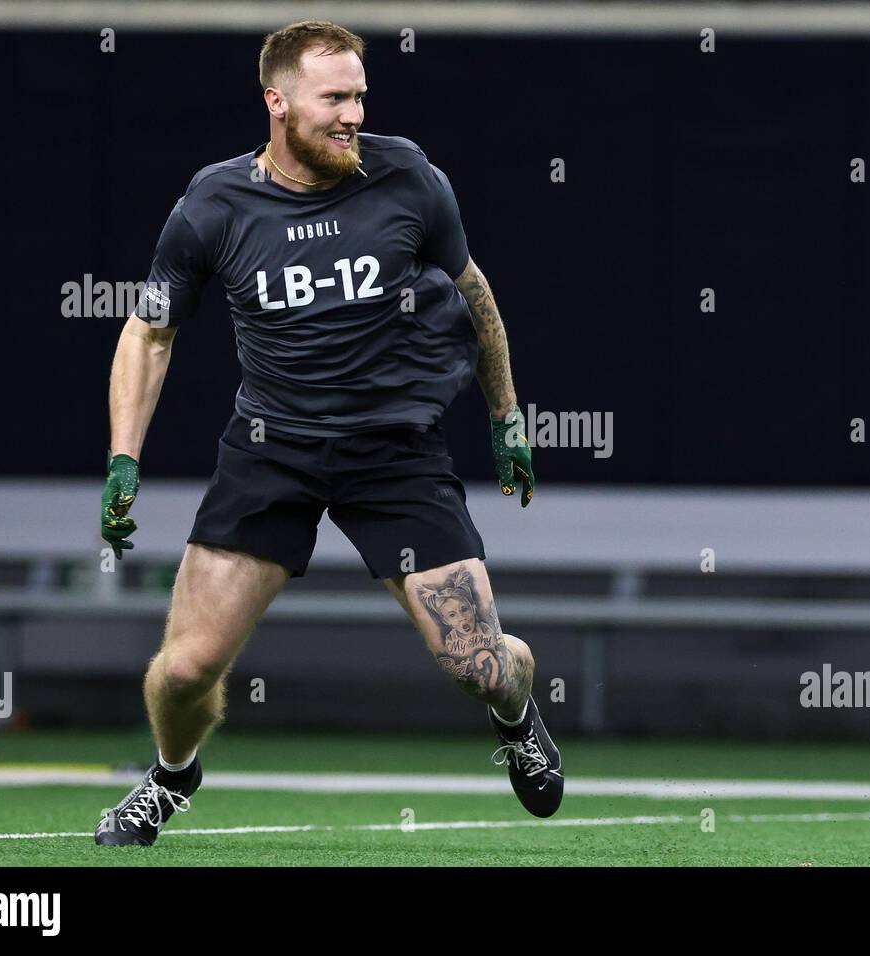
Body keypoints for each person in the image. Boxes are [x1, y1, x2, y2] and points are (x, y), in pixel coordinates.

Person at [94, 19, 561, 847]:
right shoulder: (212, 204)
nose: (353, 113)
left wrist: (507, 415)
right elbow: (149, 332)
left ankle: (520, 720)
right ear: (277, 102)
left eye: (359, 96)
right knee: (186, 670)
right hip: (273, 452)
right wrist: (124, 458)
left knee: (478, 666)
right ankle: (171, 777)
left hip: (395, 454)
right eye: (334, 98)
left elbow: (475, 295)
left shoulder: (408, 176)